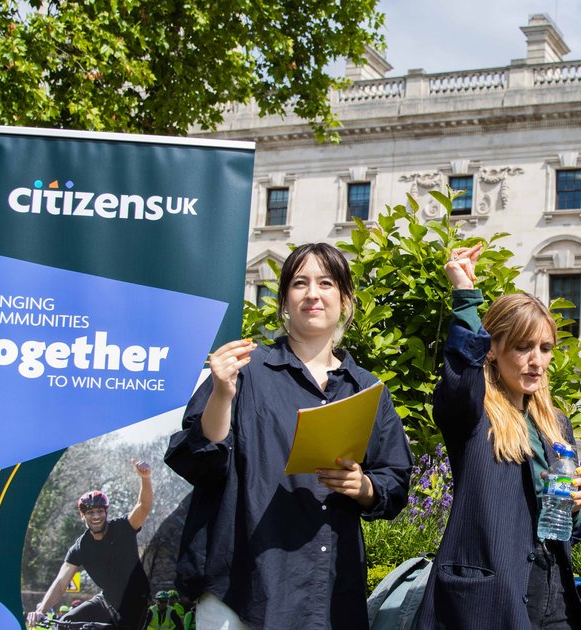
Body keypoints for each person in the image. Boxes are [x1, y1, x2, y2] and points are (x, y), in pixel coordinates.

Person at [165, 242, 412, 630]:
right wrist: (222, 394)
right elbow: (198, 459)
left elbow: (394, 482)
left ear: (345, 300)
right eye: (300, 283)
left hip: (328, 593)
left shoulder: (368, 390)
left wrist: (362, 485)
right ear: (284, 300)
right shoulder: (246, 371)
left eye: (326, 283)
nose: (313, 294)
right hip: (242, 589)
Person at [415, 244, 581, 630]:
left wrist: (576, 508)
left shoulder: (555, 423)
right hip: (487, 601)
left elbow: (567, 531)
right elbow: (460, 378)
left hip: (552, 597)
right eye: (523, 347)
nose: (537, 361)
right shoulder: (472, 414)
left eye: (545, 349)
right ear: (492, 350)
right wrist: (464, 295)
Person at [27, 460, 154, 630]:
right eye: (90, 512)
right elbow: (61, 582)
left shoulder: (123, 528)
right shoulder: (80, 547)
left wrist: (145, 478)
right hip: (106, 600)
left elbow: (143, 506)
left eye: (100, 511)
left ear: (106, 512)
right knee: (65, 624)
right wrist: (41, 609)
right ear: (82, 515)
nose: (96, 516)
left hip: (135, 603)